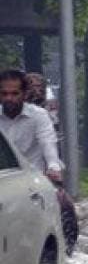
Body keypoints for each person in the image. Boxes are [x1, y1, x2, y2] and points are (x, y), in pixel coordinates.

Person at [0, 68, 77, 253]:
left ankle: (67, 253)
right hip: (5, 179)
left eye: (14, 93)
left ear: (25, 94)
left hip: (36, 179)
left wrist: (53, 169)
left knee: (66, 206)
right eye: (4, 93)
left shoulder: (39, 116)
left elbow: (48, 144)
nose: (9, 98)